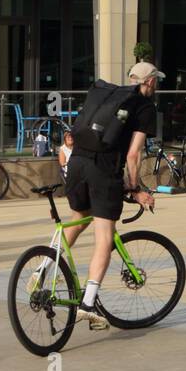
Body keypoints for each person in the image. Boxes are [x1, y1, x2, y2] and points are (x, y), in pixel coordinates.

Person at [63, 63, 159, 328]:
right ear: (149, 82)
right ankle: (88, 303)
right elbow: (133, 154)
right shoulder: (145, 107)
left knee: (80, 217)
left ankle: (45, 268)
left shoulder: (109, 97)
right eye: (156, 81)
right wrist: (136, 187)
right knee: (104, 236)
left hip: (77, 164)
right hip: (102, 169)